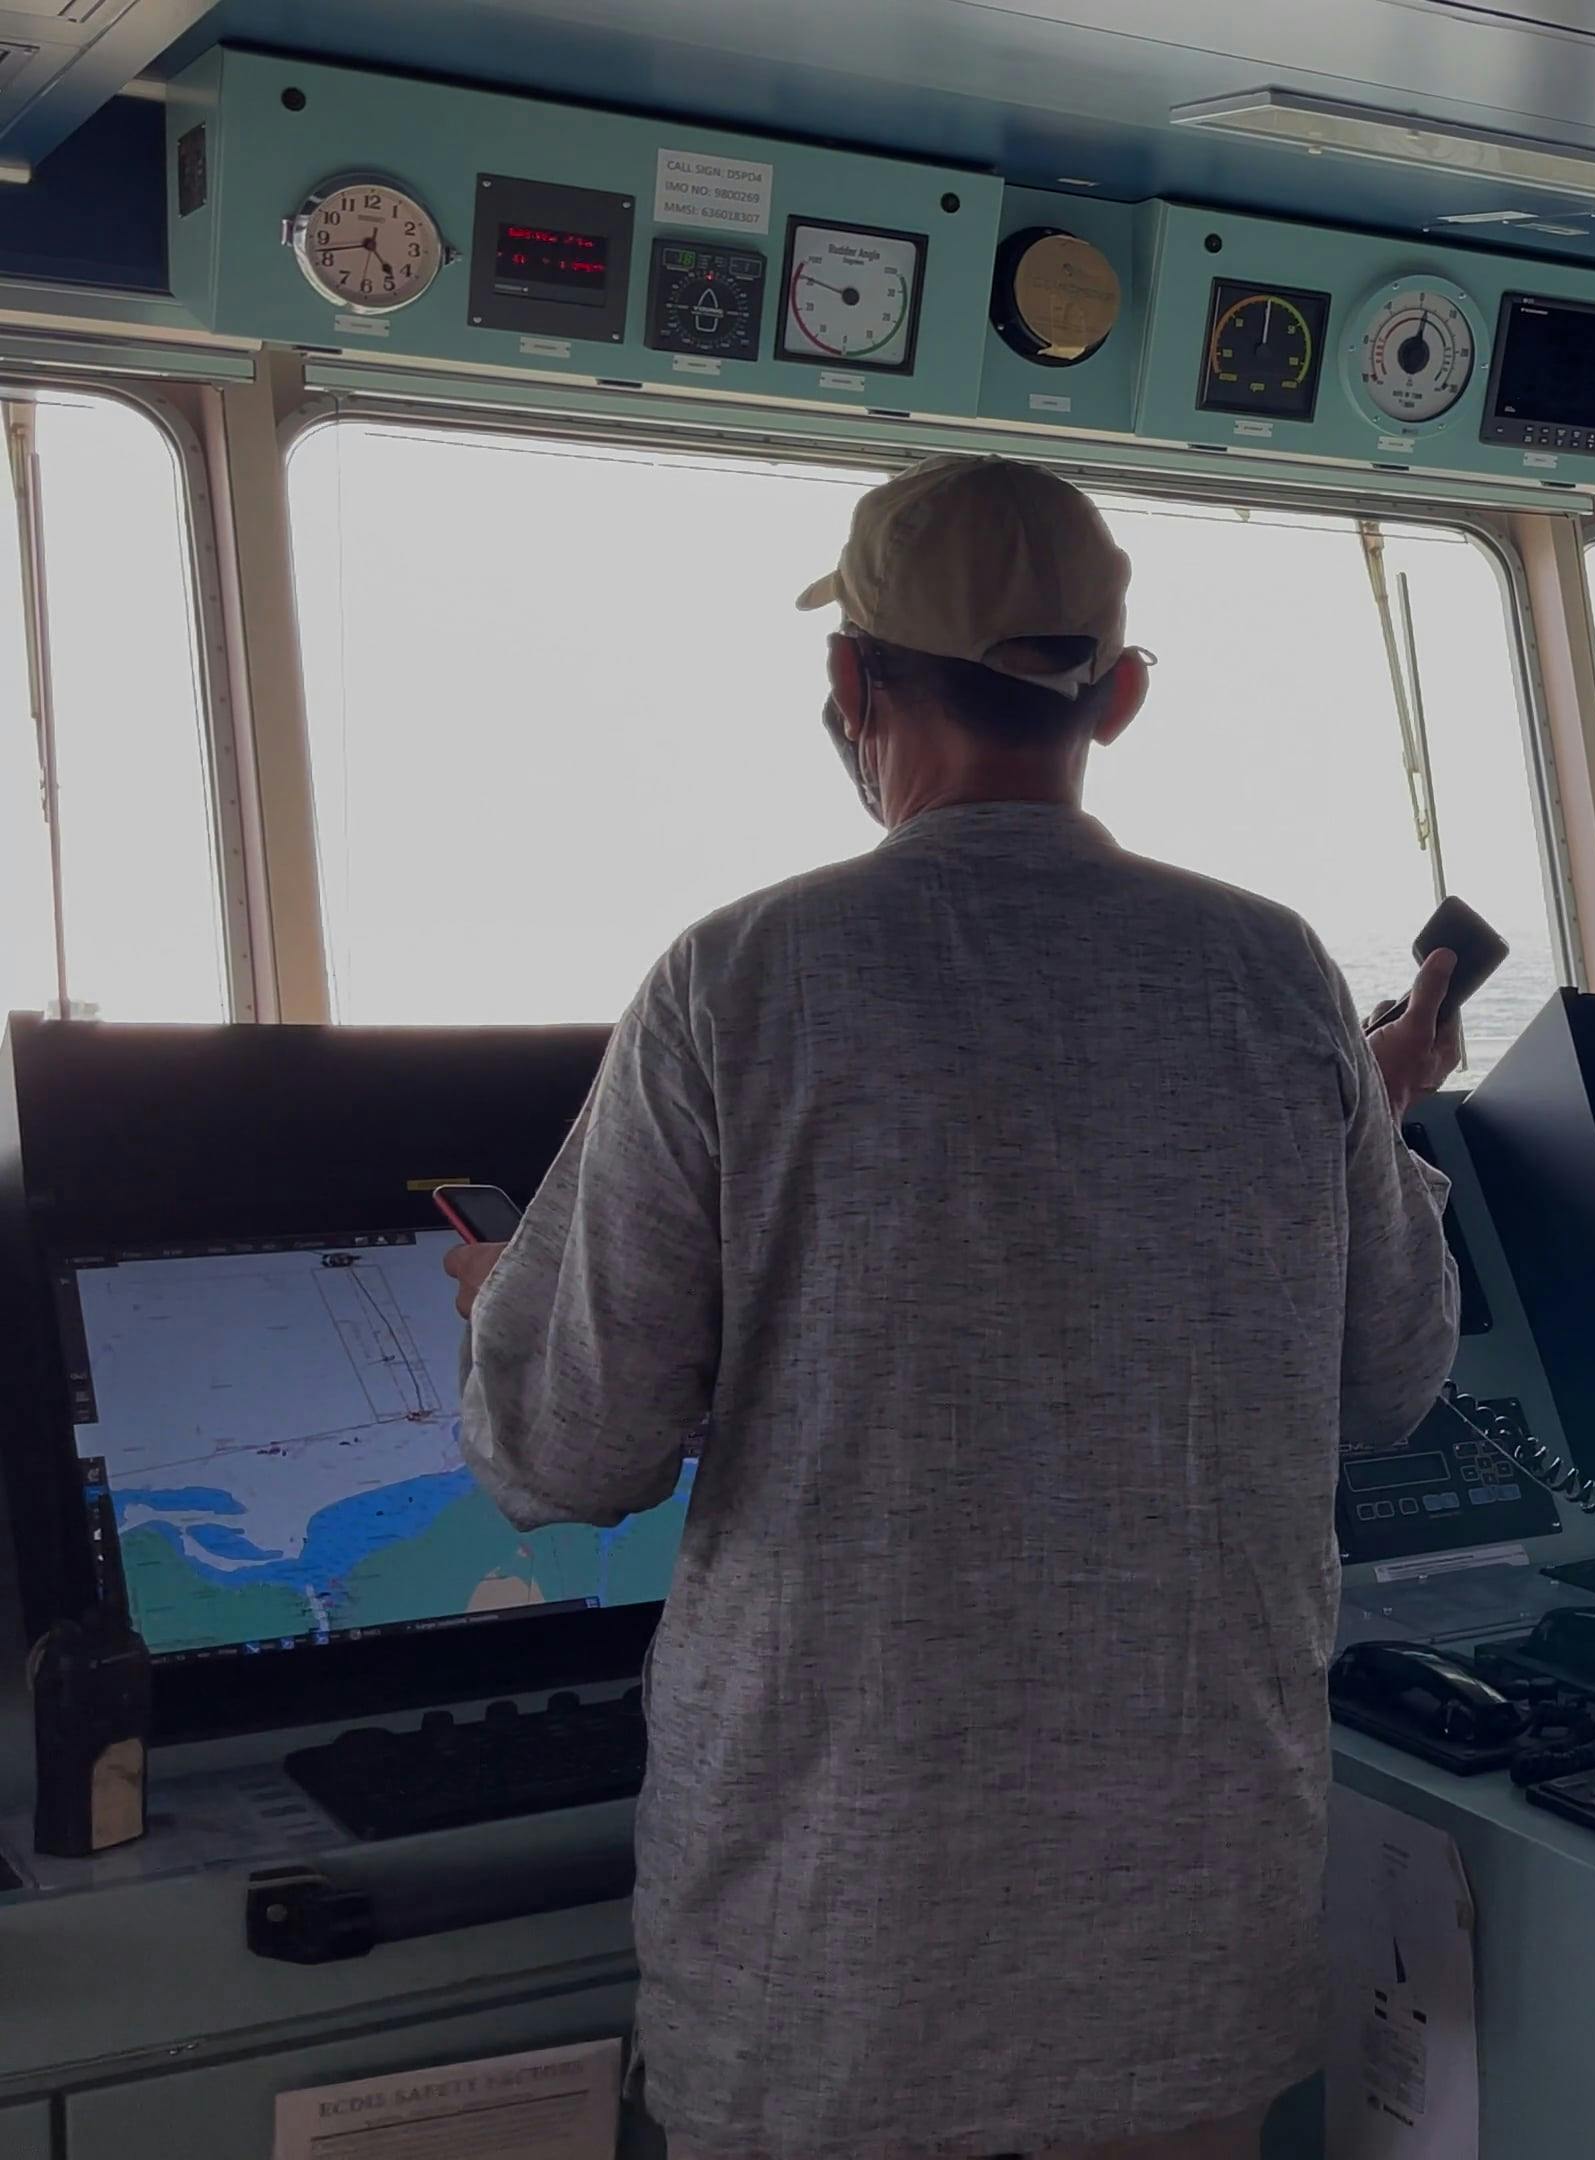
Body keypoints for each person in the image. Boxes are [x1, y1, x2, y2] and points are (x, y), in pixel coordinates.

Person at [441, 454, 1465, 2160]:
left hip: (838, 1962)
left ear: (849, 685)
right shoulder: (1275, 972)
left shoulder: (737, 978)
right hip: (1179, 1956)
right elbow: (1388, 1381)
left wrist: (503, 1305)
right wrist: (1383, 1125)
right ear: (1119, 698)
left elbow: (564, 1449)